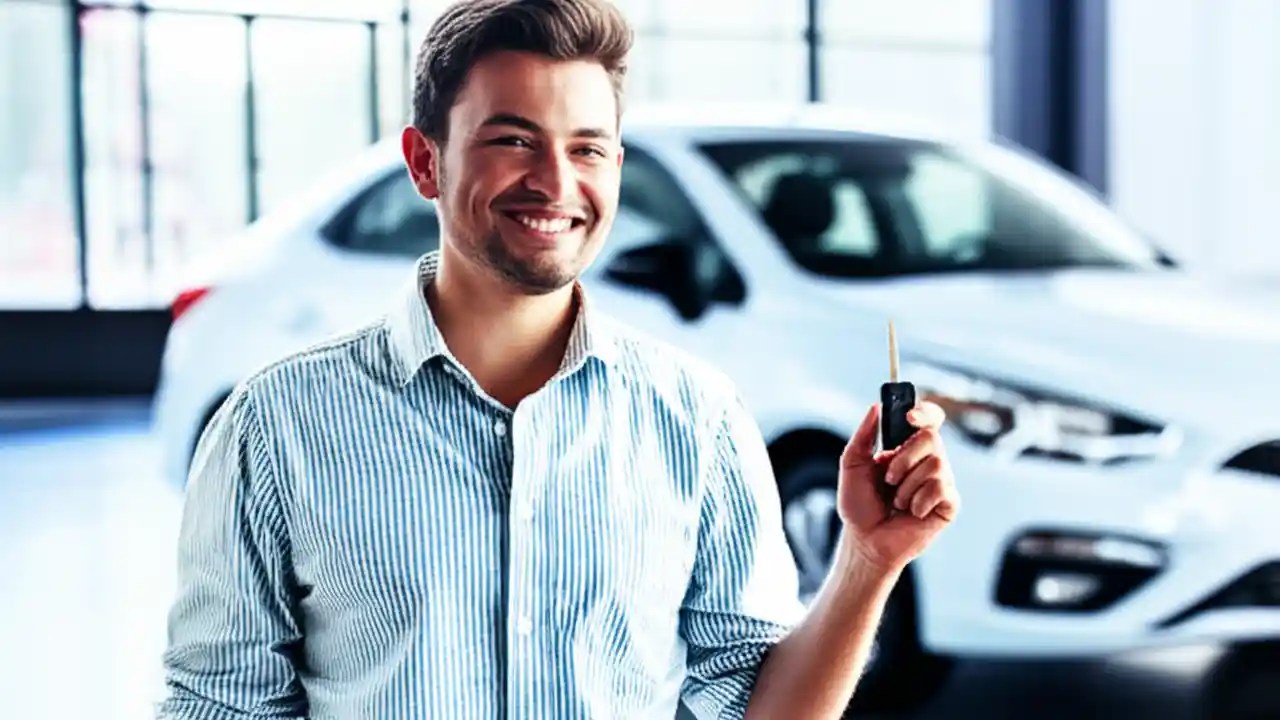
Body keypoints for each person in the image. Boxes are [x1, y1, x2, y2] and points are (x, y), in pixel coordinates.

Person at [156, 0, 960, 718]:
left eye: (587, 148)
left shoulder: (699, 420)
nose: (554, 181)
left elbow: (759, 710)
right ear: (426, 161)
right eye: (513, 139)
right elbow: (220, 705)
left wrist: (867, 561)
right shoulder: (277, 426)